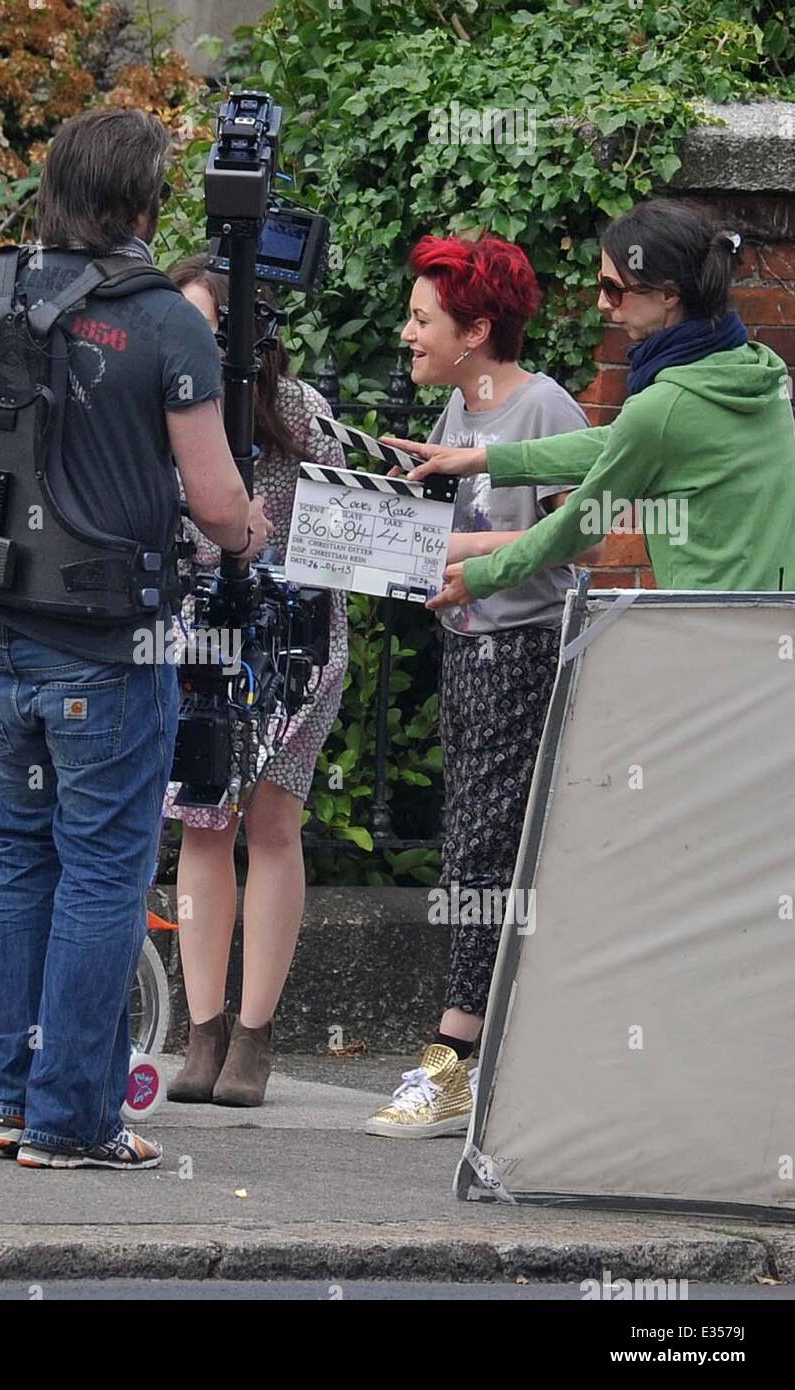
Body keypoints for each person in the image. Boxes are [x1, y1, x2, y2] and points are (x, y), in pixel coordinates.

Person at [0, 108, 268, 1169]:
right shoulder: (165, 321)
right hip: (109, 648)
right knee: (103, 873)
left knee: (23, 857)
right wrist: (251, 531)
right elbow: (215, 502)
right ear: (140, 203)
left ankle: (4, 1097)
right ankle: (72, 1119)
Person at [365, 233, 599, 1138]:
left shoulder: (541, 408)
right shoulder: (460, 415)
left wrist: (450, 549)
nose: (407, 332)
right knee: (478, 850)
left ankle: (451, 1059)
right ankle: (492, 1061)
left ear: (476, 329)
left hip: (525, 653)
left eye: (424, 319)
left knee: (480, 856)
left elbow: (579, 540)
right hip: (469, 651)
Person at [397, 200, 795, 605]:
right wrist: (481, 460)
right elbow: (619, 440)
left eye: (614, 289)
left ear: (668, 295)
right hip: (775, 624)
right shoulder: (760, 372)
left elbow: (581, 524)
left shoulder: (663, 408)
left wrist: (483, 575)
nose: (603, 304)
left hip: (706, 631)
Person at [161, 255, 349, 1107]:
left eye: (206, 328)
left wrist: (270, 544)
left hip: (291, 637)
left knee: (273, 818)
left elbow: (349, 525)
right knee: (202, 818)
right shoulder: (156, 401)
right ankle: (200, 1031)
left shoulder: (301, 411)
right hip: (196, 633)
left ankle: (254, 1035)